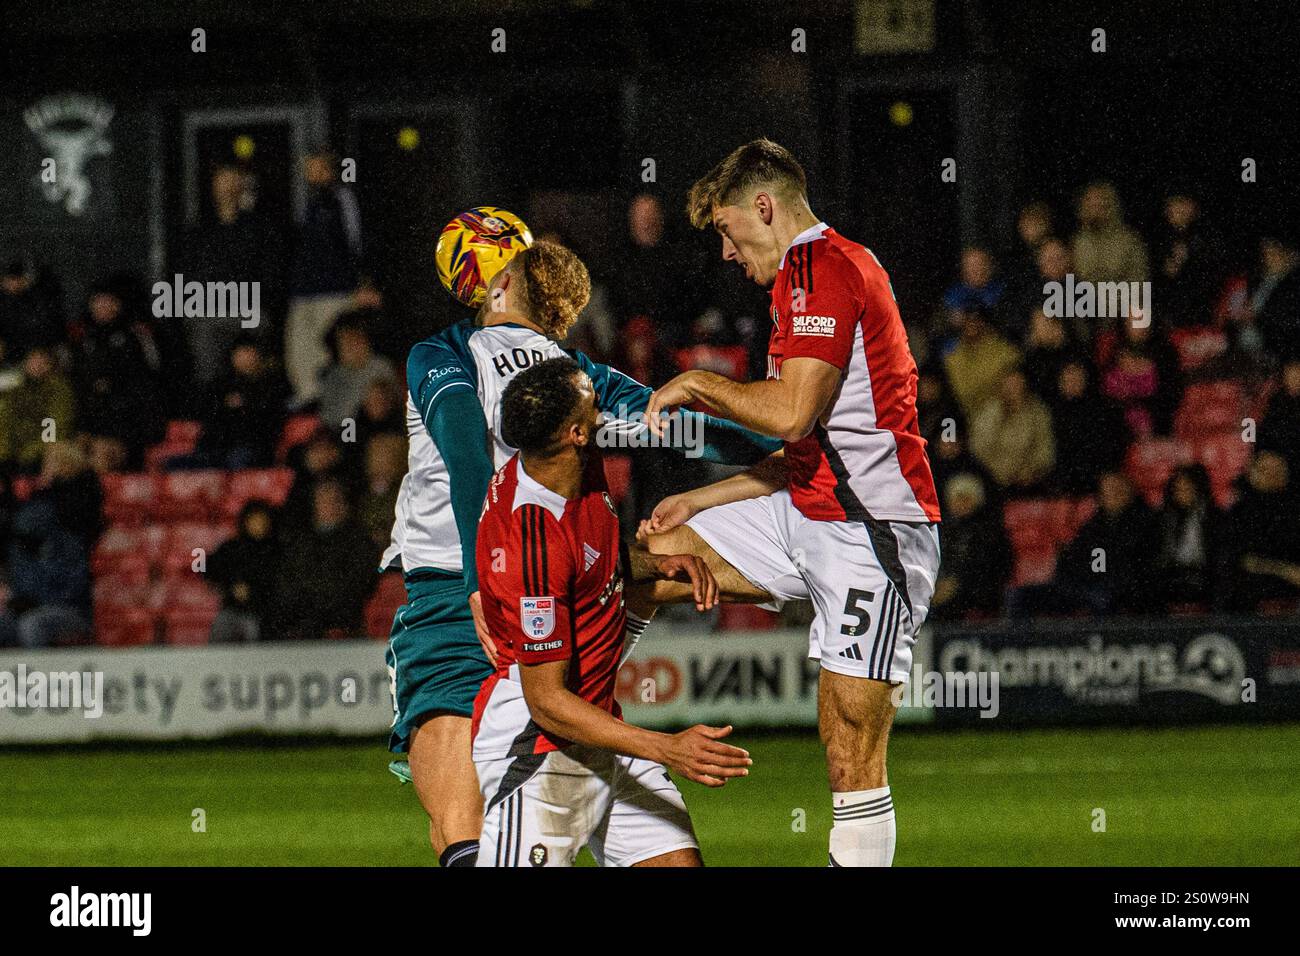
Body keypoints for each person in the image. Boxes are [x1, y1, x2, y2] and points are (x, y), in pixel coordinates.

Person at [383, 238, 777, 868]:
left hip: (463, 596)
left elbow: (464, 460)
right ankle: (820, 572)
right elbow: (680, 427)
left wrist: (478, 585)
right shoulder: (577, 378)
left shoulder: (446, 354)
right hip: (535, 587)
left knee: (462, 834)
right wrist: (780, 453)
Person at [639, 139, 942, 866]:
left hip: (873, 531)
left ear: (764, 207)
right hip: (806, 510)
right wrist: (701, 498)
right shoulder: (801, 281)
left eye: (724, 228)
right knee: (650, 557)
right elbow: (807, 446)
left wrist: (697, 382)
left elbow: (794, 413)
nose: (724, 252)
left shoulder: (824, 266)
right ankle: (580, 727)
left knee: (850, 754)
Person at [474, 357, 742, 867]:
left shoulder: (568, 466)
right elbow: (546, 701)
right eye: (593, 404)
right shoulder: (534, 540)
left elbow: (590, 554)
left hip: (597, 730)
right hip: (541, 753)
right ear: (575, 432)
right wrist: (666, 748)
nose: (604, 409)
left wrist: (653, 562)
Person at [207, 501, 279, 643]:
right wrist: (231, 586)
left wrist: (252, 592)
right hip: (231, 610)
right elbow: (206, 566)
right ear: (245, 522)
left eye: (262, 521)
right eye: (255, 520)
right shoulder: (231, 547)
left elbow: (275, 583)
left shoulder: (275, 550)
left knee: (255, 632)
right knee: (221, 628)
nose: (259, 525)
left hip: (260, 613)